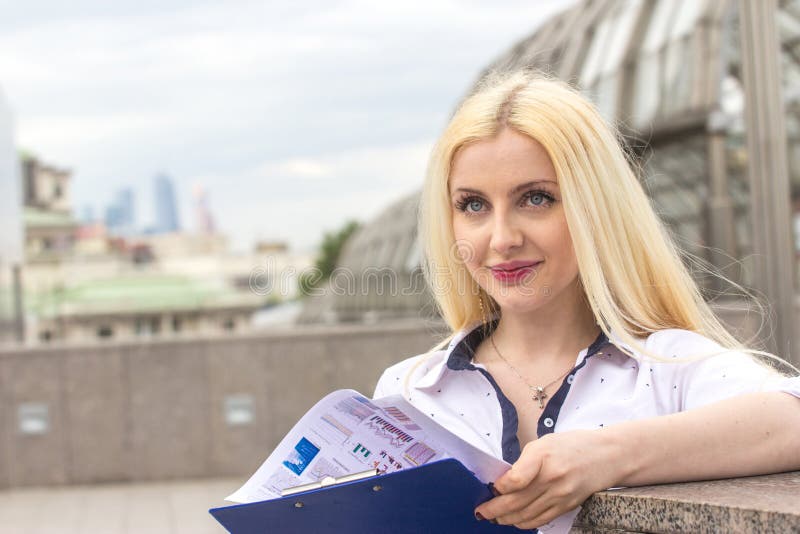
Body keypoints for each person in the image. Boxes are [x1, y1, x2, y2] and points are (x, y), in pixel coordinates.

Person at [372, 71, 800, 532]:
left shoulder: (668, 367)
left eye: (536, 198)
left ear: (594, 208)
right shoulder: (409, 392)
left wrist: (606, 456)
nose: (502, 239)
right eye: (473, 205)